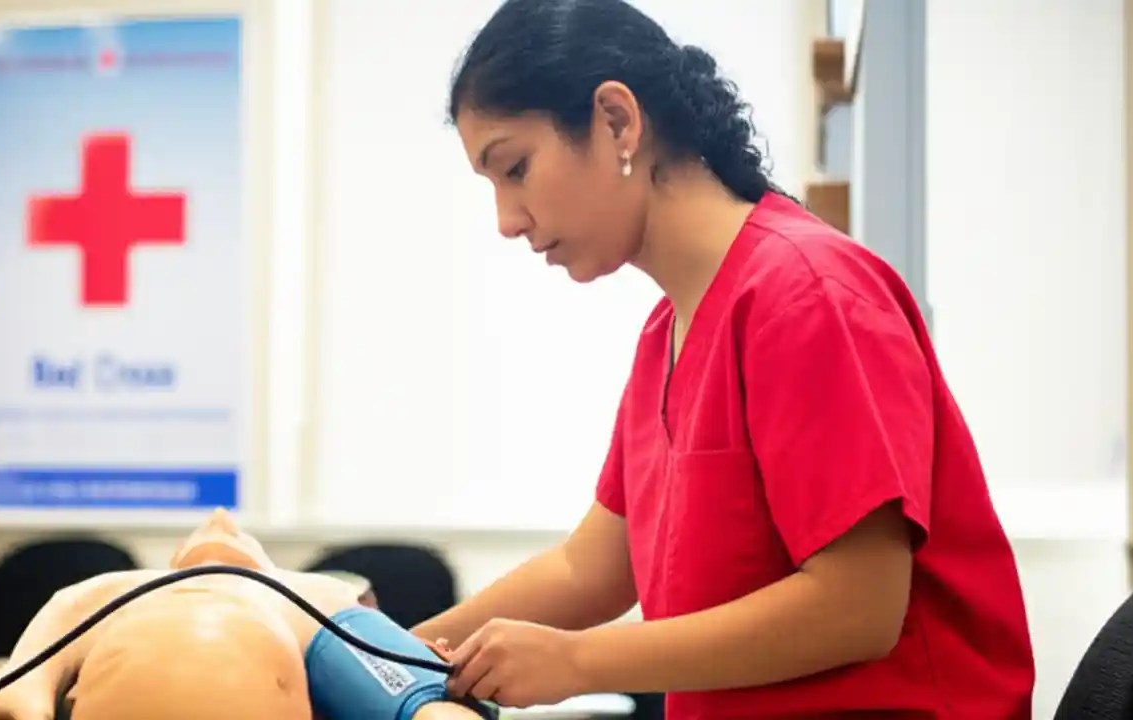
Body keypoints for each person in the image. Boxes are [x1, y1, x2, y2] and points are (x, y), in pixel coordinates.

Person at [411, 0, 1036, 717]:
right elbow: (591, 569)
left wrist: (577, 662)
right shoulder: (668, 332)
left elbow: (858, 604)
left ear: (618, 120)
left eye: (515, 168)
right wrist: (384, 652)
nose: (506, 221)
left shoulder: (806, 294)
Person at [0, 509, 486, 720]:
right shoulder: (110, 592)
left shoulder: (307, 594)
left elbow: (414, 699)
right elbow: (13, 689)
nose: (219, 520)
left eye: (235, 529)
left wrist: (440, 682)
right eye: (202, 530)